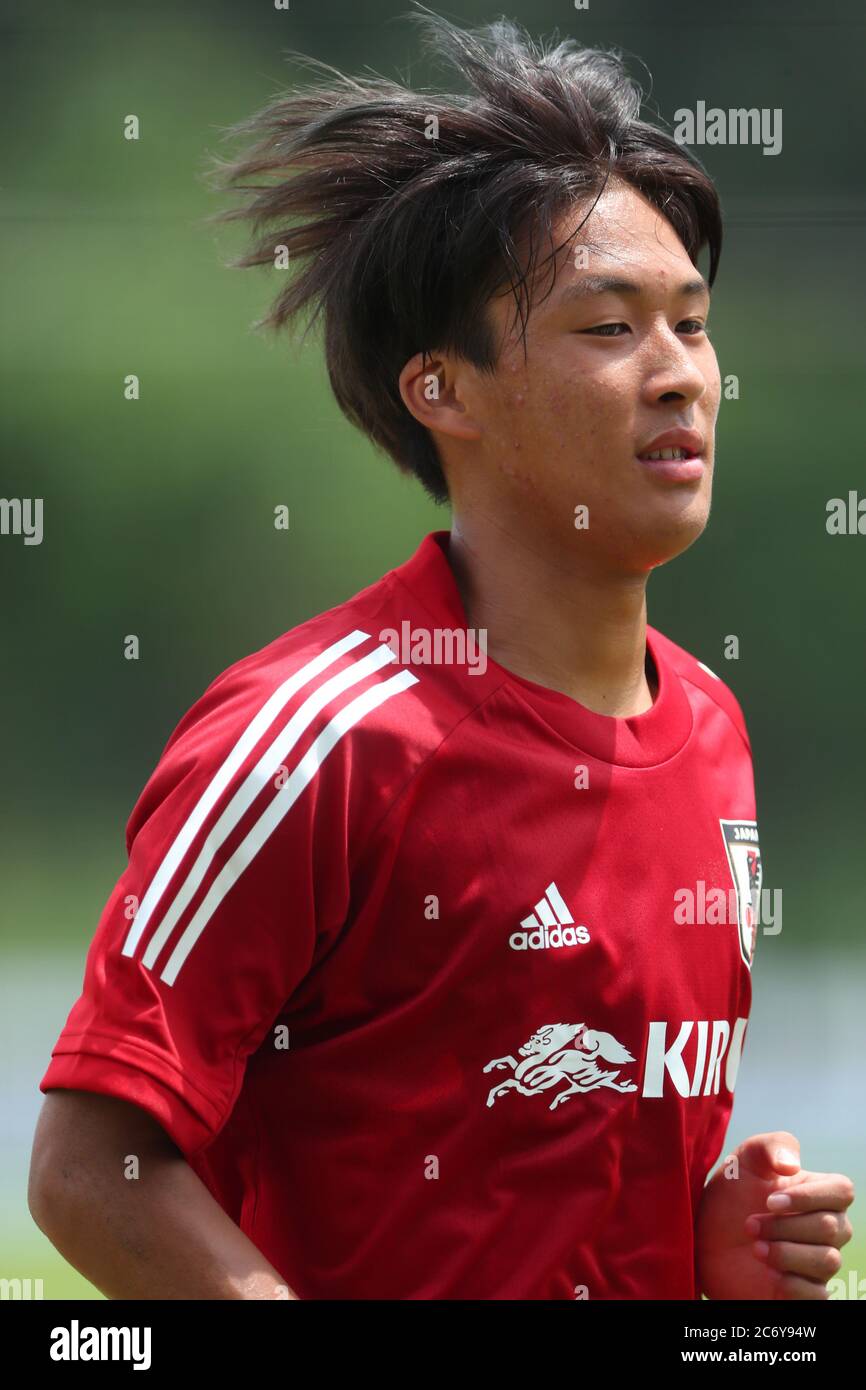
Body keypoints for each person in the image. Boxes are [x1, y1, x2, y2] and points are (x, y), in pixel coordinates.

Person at [29, 9, 853, 1300]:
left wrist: (711, 1253)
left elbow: (539, 1176)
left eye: (690, 325)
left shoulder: (711, 729)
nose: (679, 374)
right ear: (444, 390)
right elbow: (91, 1166)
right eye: (606, 328)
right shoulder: (314, 743)